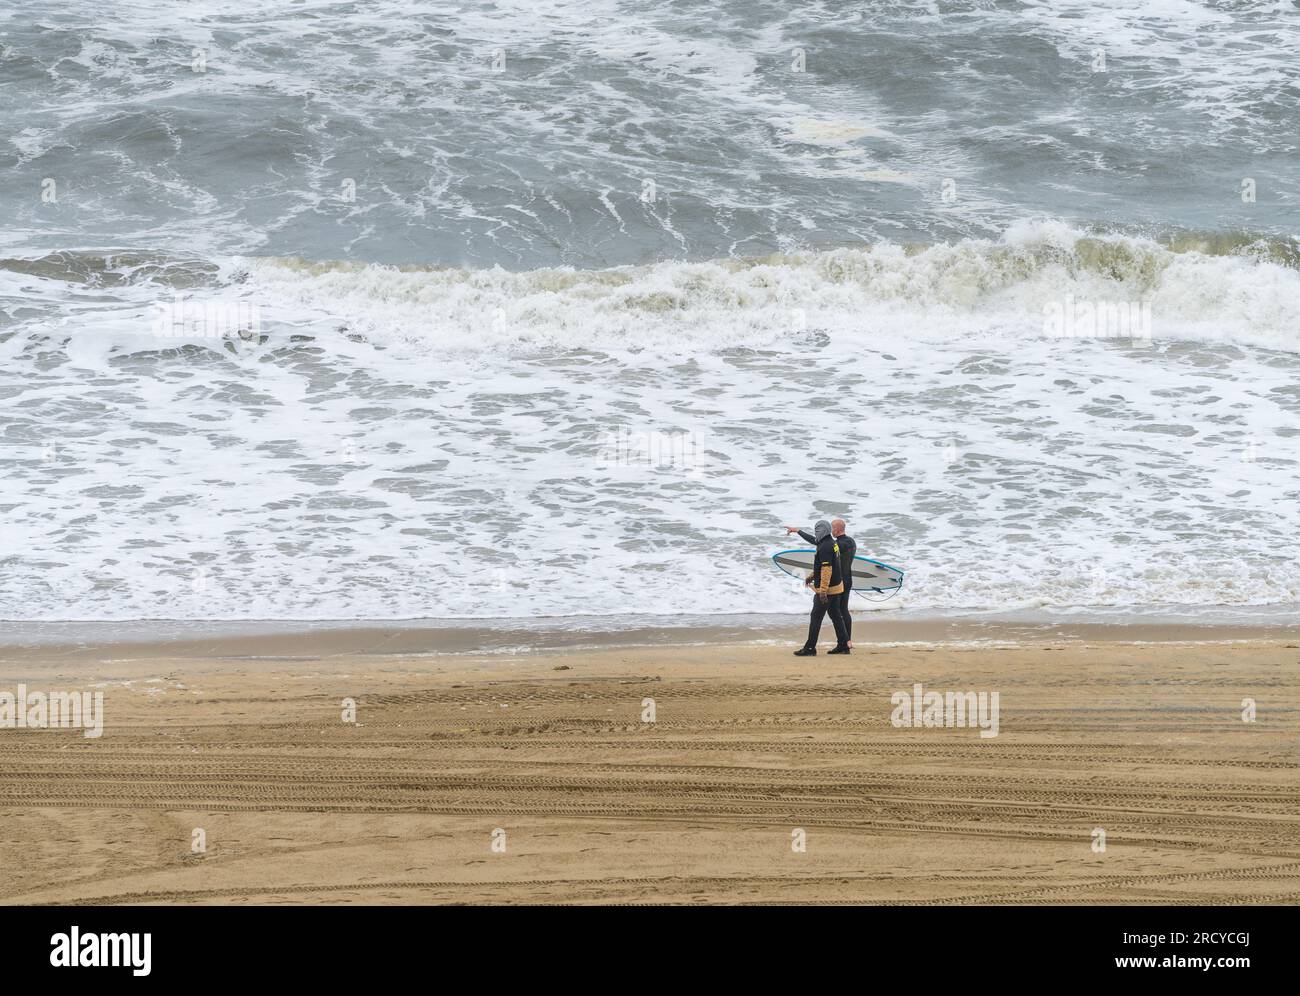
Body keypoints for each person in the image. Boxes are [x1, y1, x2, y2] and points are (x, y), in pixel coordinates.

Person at [786, 518, 856, 649]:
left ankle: (816, 646)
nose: (831, 530)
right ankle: (845, 643)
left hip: (834, 582)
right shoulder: (849, 542)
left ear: (838, 529)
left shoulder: (835, 545)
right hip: (844, 579)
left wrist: (822, 589)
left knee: (830, 613)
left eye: (833, 528)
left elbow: (826, 567)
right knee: (838, 612)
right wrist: (799, 531)